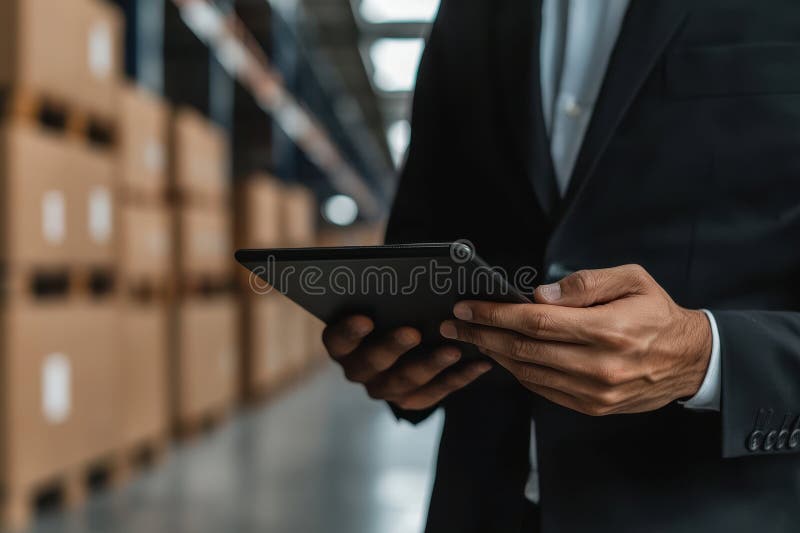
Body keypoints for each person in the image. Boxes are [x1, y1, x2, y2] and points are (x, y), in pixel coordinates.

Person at [322, 0, 800, 531]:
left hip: (715, 509)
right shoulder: (466, 13)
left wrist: (704, 357)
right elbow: (420, 241)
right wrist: (397, 360)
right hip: (479, 504)